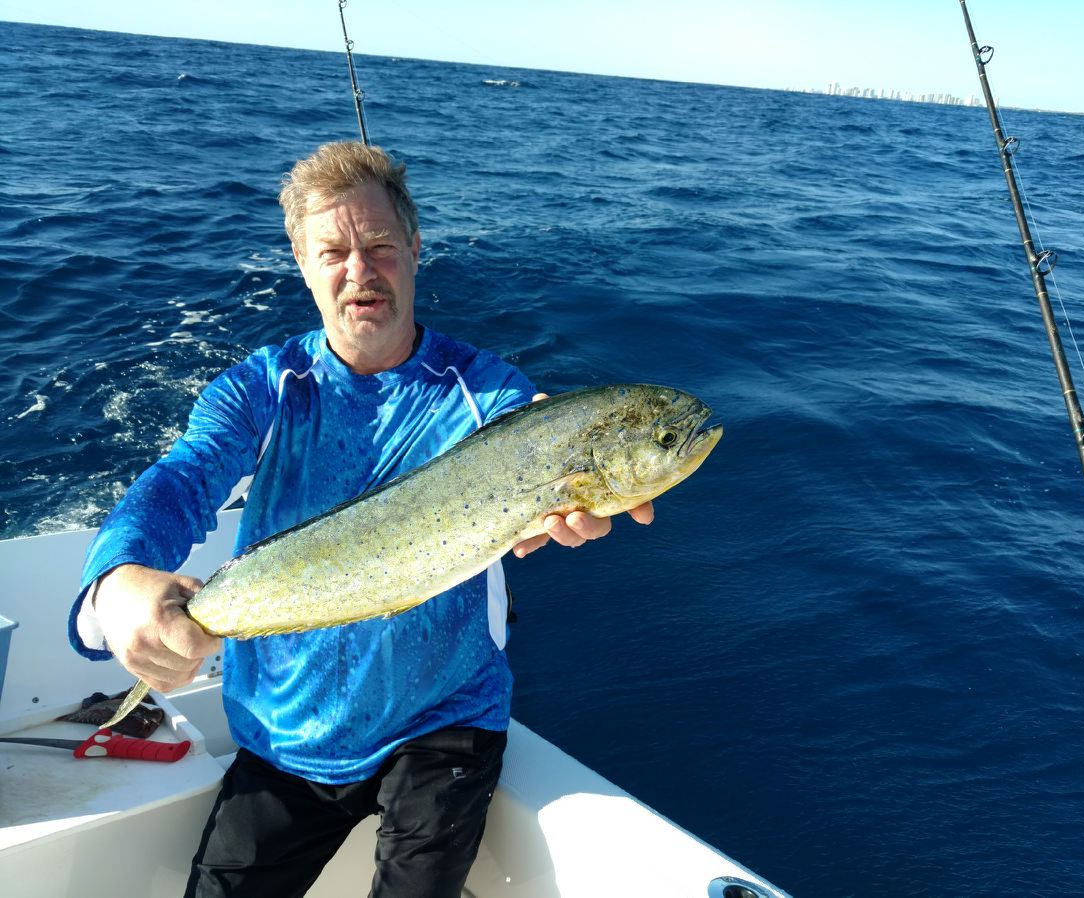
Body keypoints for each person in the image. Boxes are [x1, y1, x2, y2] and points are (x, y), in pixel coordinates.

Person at [67, 140, 654, 897]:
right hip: (284, 729)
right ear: (301, 263)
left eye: (379, 245)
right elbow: (183, 477)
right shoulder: (262, 388)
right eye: (332, 251)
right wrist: (115, 584)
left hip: (442, 722)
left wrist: (564, 479)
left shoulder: (488, 396)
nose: (359, 270)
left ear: (414, 249)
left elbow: (539, 449)